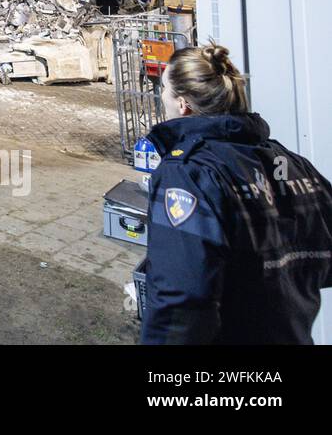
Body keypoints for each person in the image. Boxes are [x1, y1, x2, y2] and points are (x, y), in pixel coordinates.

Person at [142, 43, 332, 344]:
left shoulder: (188, 174)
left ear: (183, 104)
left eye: (163, 88)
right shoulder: (293, 164)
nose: (160, 96)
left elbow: (180, 301)